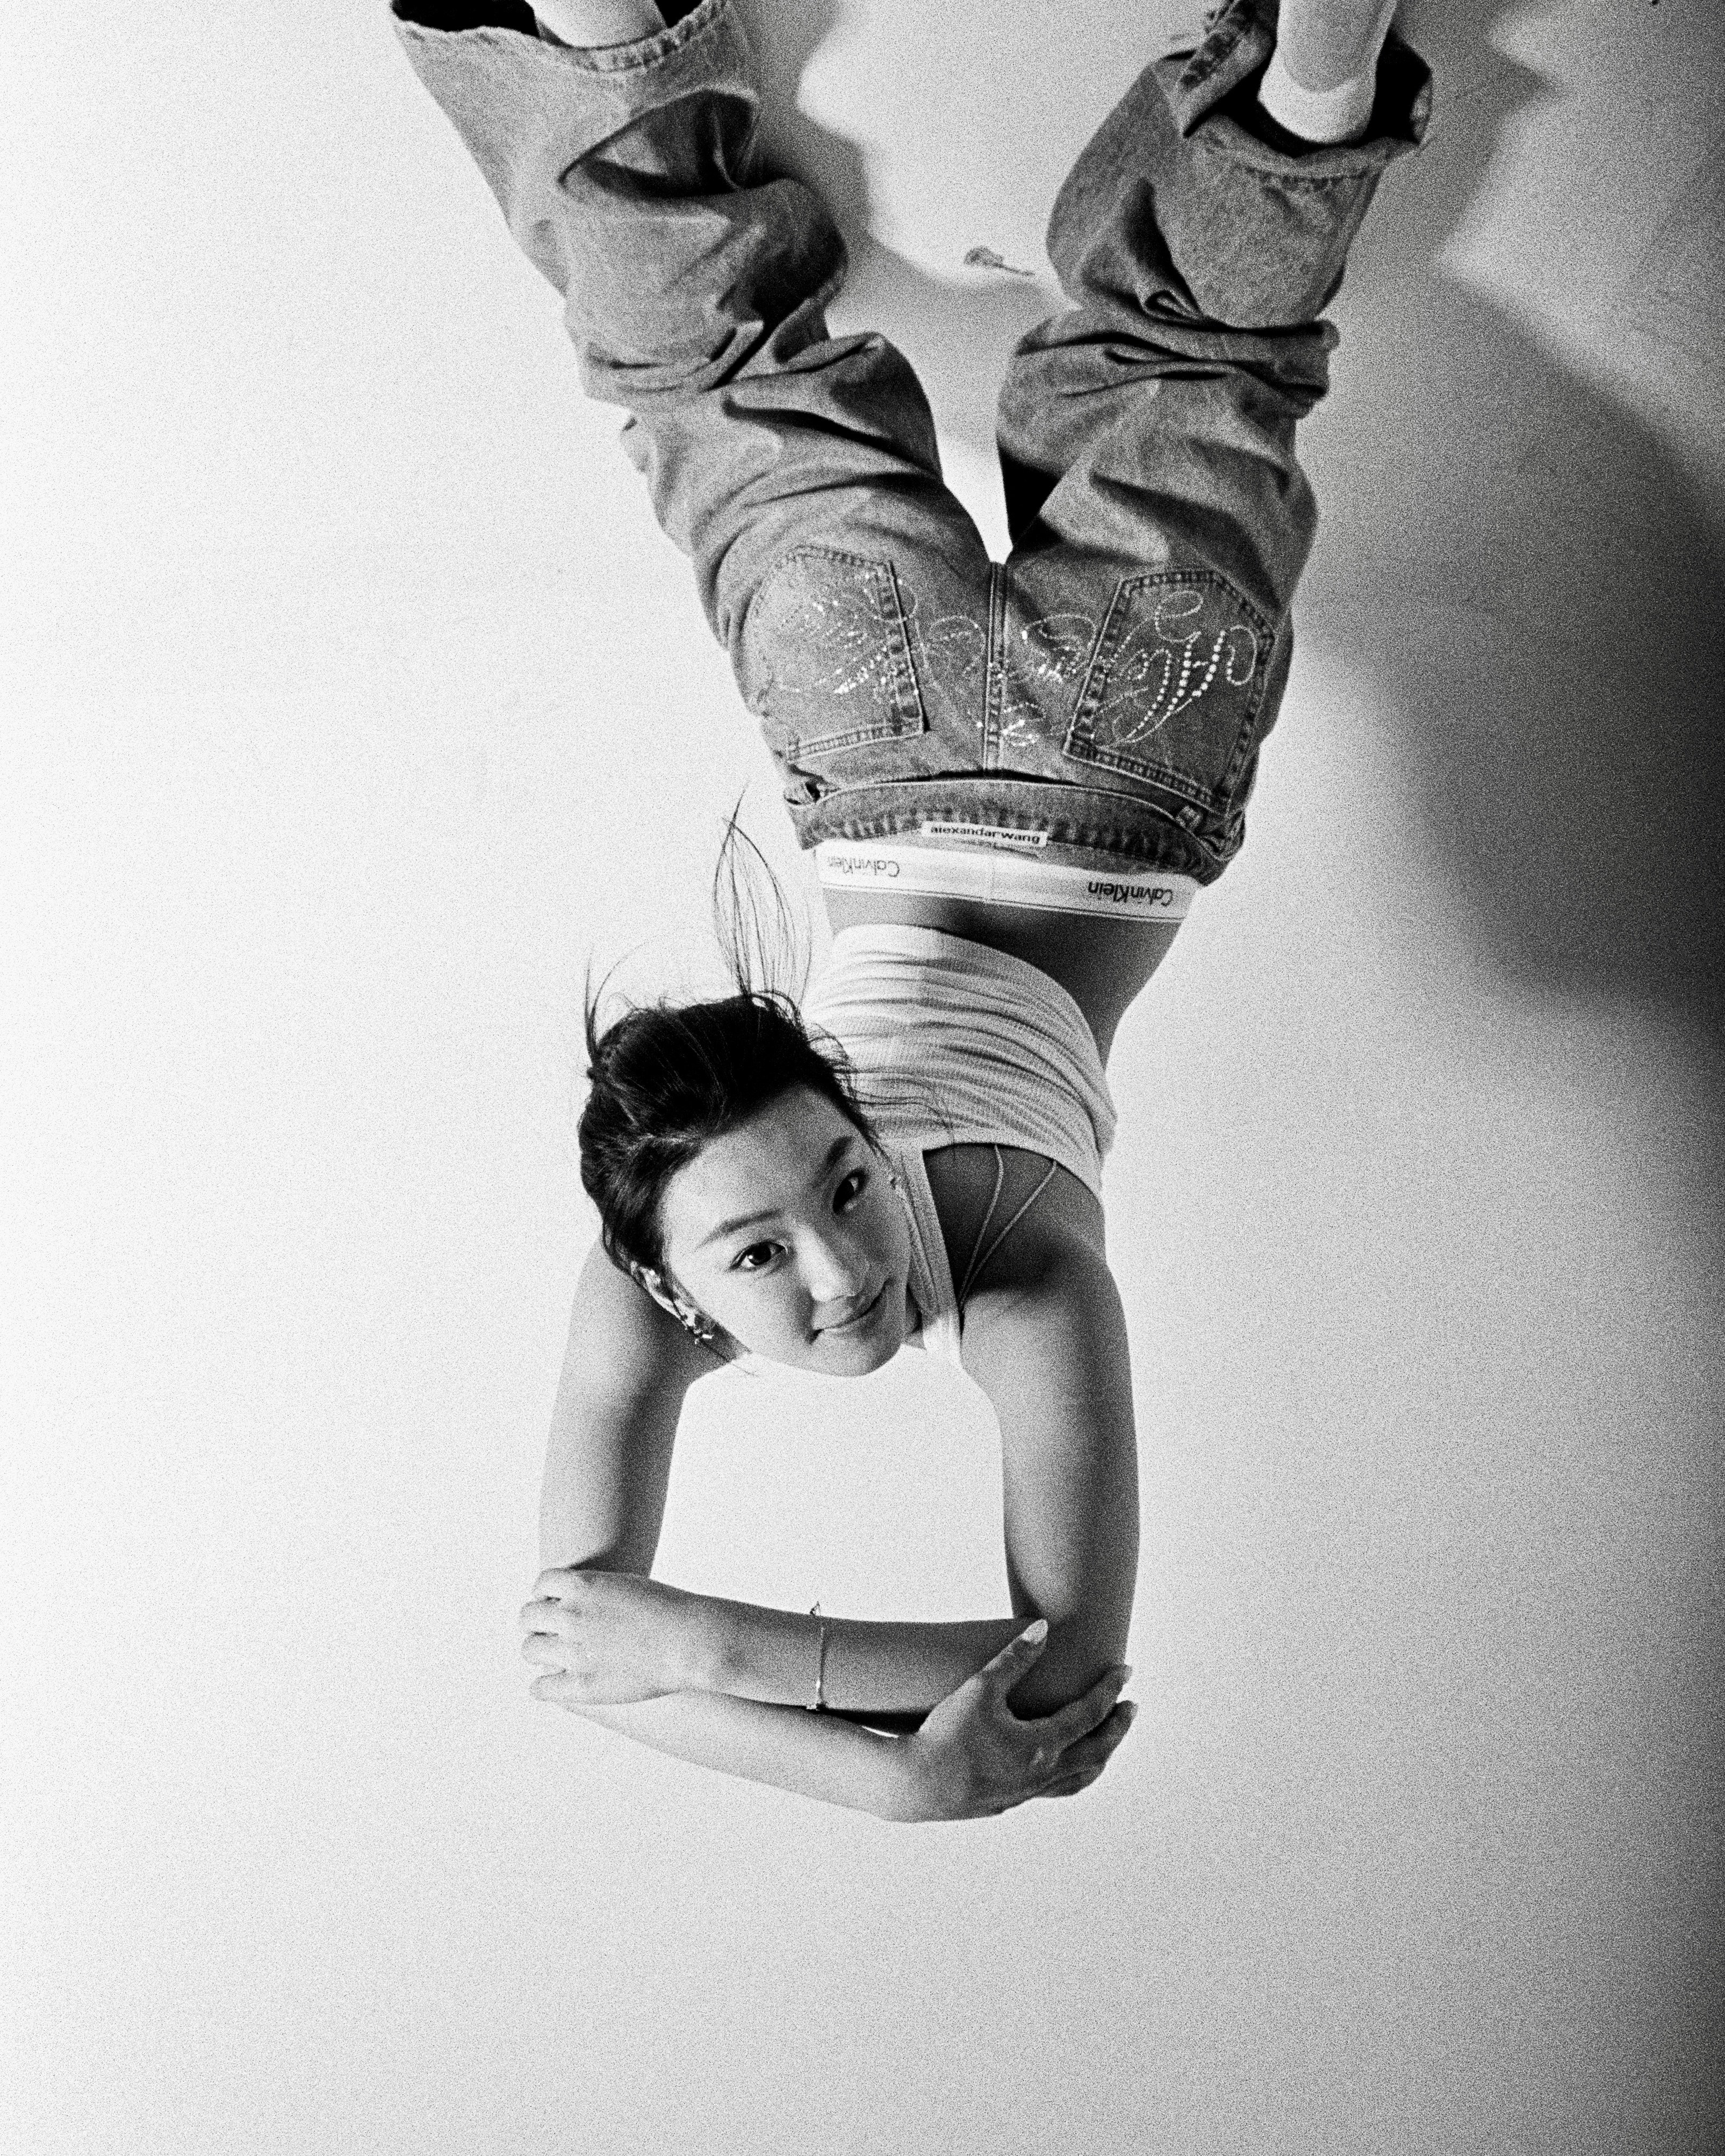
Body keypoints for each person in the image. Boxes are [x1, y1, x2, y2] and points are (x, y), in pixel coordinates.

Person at [391, 0, 1431, 1821]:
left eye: (815, 1203)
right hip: (886, 749)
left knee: (1200, 362)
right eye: (804, 1232)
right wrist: (768, 1697)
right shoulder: (949, 1274)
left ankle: (1310, 89)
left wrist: (808, 1717)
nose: (844, 1265)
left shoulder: (1032, 1283)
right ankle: (610, 47)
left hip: (1115, 772)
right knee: (719, 391)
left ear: (660, 1271)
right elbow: (605, 1637)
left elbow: (1021, 1667)